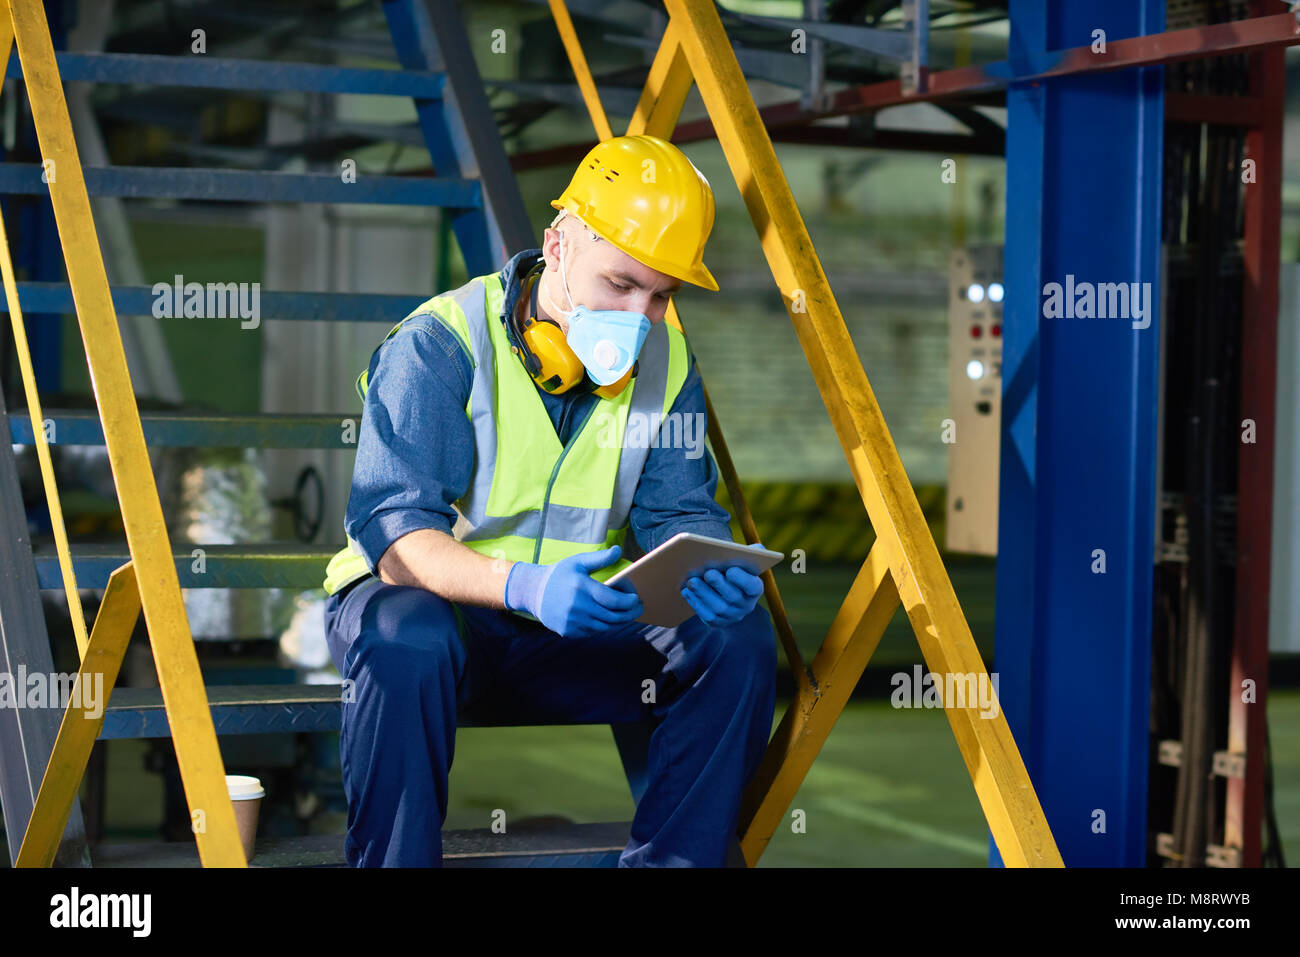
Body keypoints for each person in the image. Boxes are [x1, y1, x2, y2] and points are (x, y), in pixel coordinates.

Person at [320, 133, 777, 867]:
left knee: (738, 641)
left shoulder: (668, 361)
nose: (640, 315)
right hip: (448, 621)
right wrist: (522, 586)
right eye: (621, 284)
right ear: (558, 246)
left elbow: (677, 513)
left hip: (575, 620)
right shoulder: (443, 341)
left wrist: (707, 571)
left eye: (661, 296)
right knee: (407, 636)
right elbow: (396, 538)